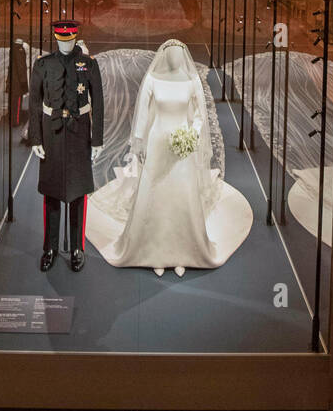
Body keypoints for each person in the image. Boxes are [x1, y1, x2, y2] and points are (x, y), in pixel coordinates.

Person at [85, 39, 252, 274]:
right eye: (171, 54)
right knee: (155, 192)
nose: (174, 58)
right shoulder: (153, 80)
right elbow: (142, 113)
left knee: (182, 193)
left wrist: (192, 134)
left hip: (182, 145)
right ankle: (153, 252)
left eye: (178, 54)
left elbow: (199, 115)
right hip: (157, 141)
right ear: (165, 56)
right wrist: (140, 142)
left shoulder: (192, 81)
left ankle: (184, 251)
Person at [27, 19, 104, 272]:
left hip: (79, 133)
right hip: (52, 134)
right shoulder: (43, 65)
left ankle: (77, 248)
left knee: (78, 193)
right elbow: (36, 104)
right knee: (52, 192)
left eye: (70, 39)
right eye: (62, 40)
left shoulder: (89, 65)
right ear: (56, 39)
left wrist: (97, 140)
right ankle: (49, 247)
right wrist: (36, 138)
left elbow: (99, 104)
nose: (66, 43)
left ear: (75, 38)